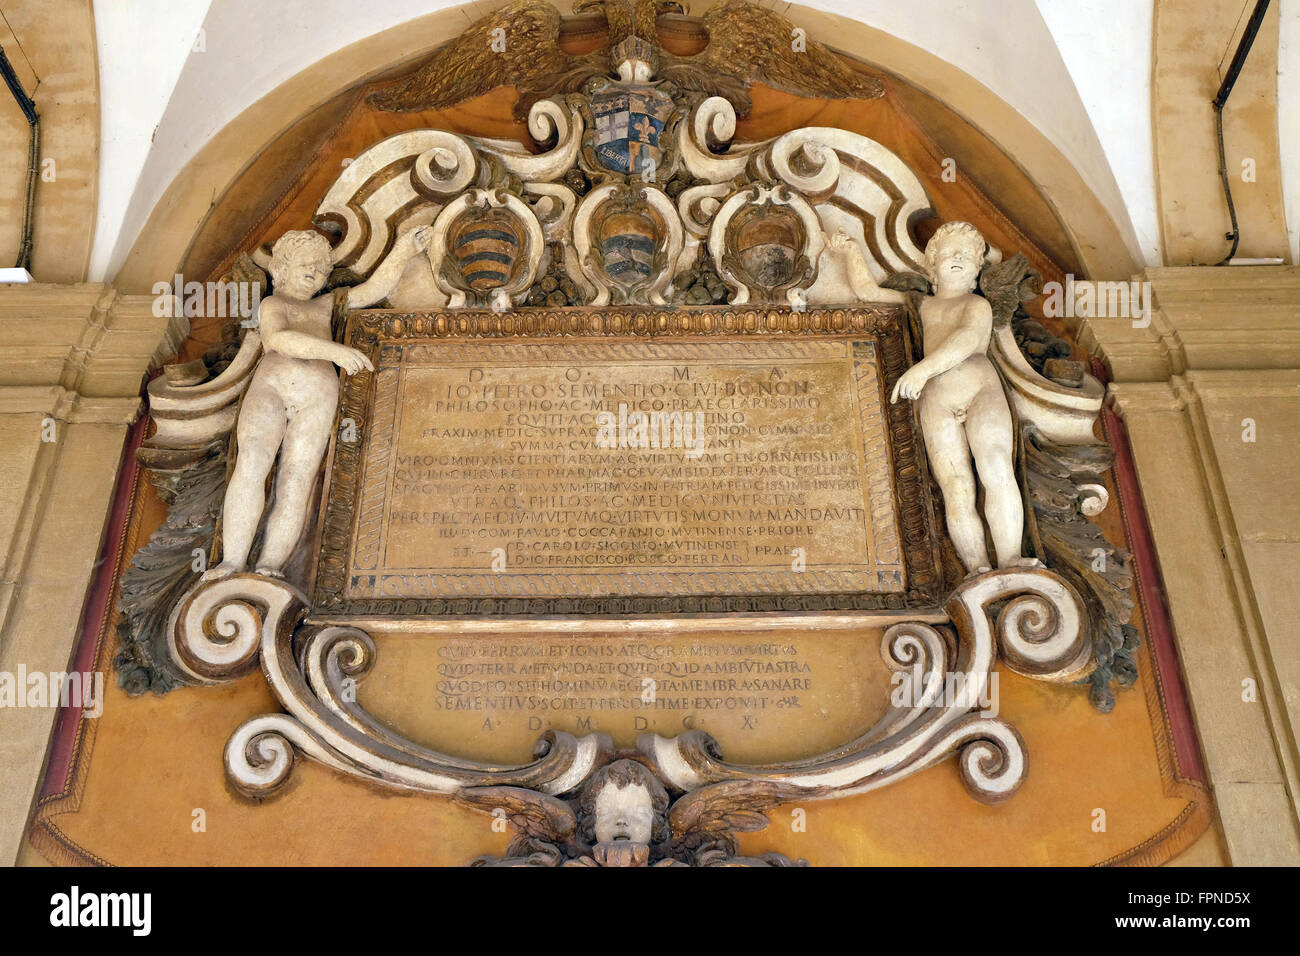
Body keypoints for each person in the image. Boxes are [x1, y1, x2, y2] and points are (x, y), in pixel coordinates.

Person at [204, 226, 429, 580]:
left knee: (297, 480)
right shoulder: (274, 304)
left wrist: (403, 250)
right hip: (274, 385)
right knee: (253, 462)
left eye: (323, 269)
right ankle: (232, 562)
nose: (316, 273)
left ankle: (269, 568)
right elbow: (279, 339)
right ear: (281, 267)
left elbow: (374, 290)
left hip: (318, 394)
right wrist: (335, 351)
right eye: (306, 264)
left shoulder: (326, 305)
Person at [890, 221, 1037, 574]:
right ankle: (977, 569)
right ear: (932, 267)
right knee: (955, 488)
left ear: (976, 271)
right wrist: (849, 255)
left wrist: (920, 370)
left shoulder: (976, 305)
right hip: (937, 401)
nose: (957, 258)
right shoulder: (921, 306)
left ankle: (1011, 559)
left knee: (995, 467)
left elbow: (966, 340)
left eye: (966, 255)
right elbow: (868, 293)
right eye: (948, 253)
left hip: (979, 389)